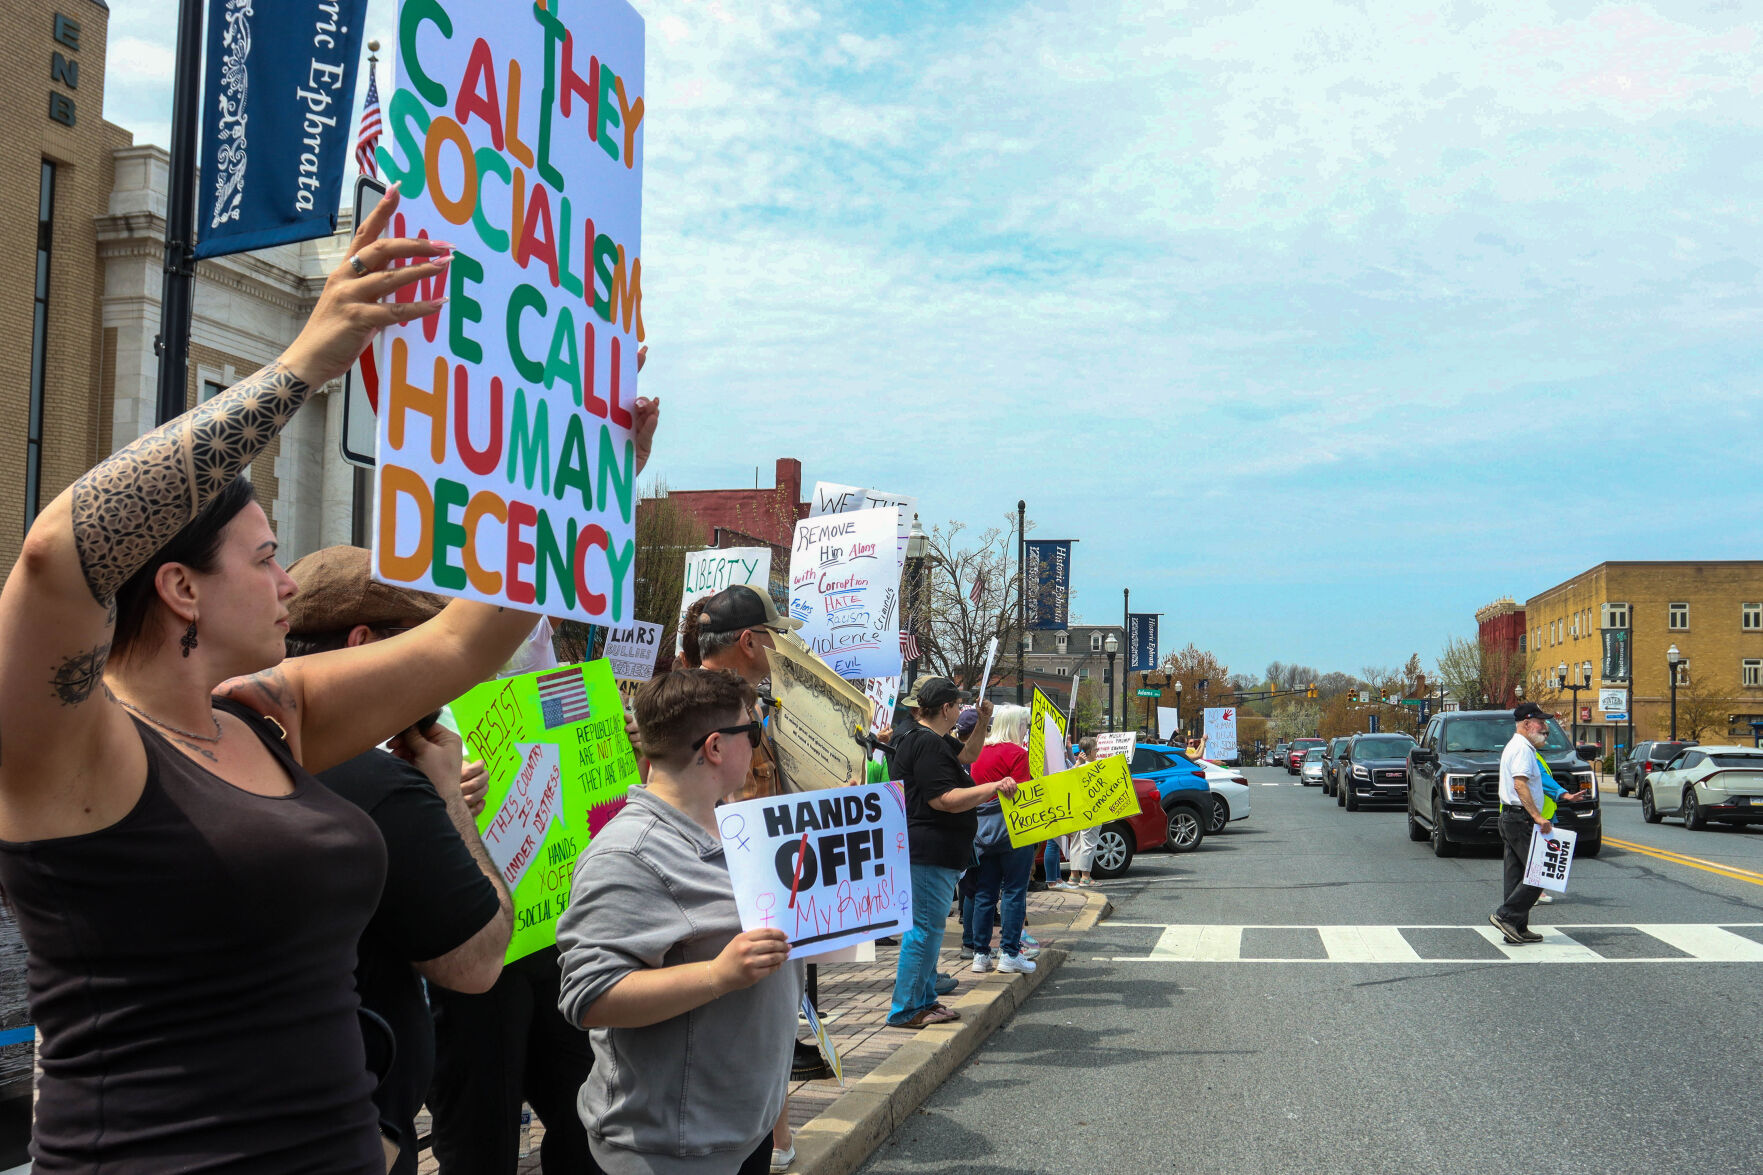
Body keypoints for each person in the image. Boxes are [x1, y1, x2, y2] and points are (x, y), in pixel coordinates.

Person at [0, 187, 624, 1172]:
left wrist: (582, 458)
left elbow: (466, 640)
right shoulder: (72, 749)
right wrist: (304, 364)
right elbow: (51, 558)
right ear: (179, 588)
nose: (290, 580)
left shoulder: (263, 716)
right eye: (263, 557)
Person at [278, 545, 512, 1173]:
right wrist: (442, 802)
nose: (446, 676)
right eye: (423, 647)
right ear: (363, 645)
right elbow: (478, 958)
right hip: (350, 1134)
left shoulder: (233, 749)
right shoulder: (374, 785)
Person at [557, 668, 802, 1175]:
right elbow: (589, 997)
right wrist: (719, 974)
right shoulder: (628, 855)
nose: (756, 747)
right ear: (715, 747)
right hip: (671, 1148)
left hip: (737, 1129)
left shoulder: (733, 824)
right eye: (751, 733)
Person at [886, 678, 1015, 1028]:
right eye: (958, 706)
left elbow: (968, 755)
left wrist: (984, 720)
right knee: (924, 930)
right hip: (929, 850)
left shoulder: (927, 738)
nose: (961, 711)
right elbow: (943, 800)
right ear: (945, 709)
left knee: (929, 929)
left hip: (932, 851)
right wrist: (994, 786)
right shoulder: (924, 744)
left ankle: (924, 1000)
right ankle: (907, 1009)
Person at [1490, 702, 1590, 944]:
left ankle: (1517, 927)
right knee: (1542, 874)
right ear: (1527, 723)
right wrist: (1537, 816)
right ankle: (1506, 916)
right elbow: (1520, 785)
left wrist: (1562, 795)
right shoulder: (1522, 749)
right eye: (1541, 722)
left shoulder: (1519, 746)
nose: (1545, 727)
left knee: (1516, 876)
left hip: (1511, 817)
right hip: (1520, 817)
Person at [967, 704, 1037, 975]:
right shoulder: (1019, 753)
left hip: (982, 831)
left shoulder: (979, 753)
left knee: (984, 893)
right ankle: (1009, 953)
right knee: (1013, 892)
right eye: (1024, 725)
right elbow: (1023, 794)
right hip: (1013, 831)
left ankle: (980, 954)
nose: (1026, 730)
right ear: (1016, 726)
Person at [1065, 737, 1102, 887]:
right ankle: (1085, 876)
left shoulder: (1077, 767)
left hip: (1076, 809)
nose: (1098, 752)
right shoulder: (1094, 768)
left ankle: (1074, 876)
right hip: (1090, 810)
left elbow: (1067, 780)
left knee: (1076, 843)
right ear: (1090, 751)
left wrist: (1077, 763)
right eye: (1096, 749)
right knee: (1089, 843)